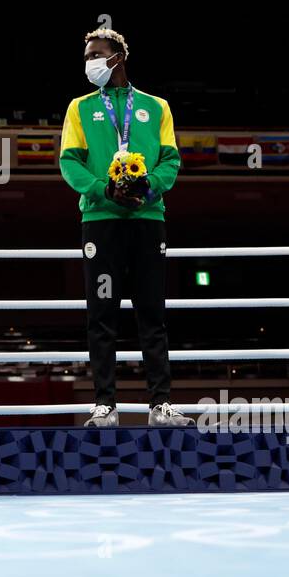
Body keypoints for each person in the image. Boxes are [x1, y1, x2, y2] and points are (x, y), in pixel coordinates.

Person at [59, 28, 192, 427]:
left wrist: (146, 189)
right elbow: (69, 162)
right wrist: (105, 191)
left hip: (148, 221)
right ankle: (105, 405)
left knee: (152, 313)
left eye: (95, 55)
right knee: (102, 315)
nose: (89, 63)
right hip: (101, 223)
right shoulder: (79, 108)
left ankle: (160, 405)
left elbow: (171, 161)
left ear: (117, 57)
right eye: (86, 57)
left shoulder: (157, 107)